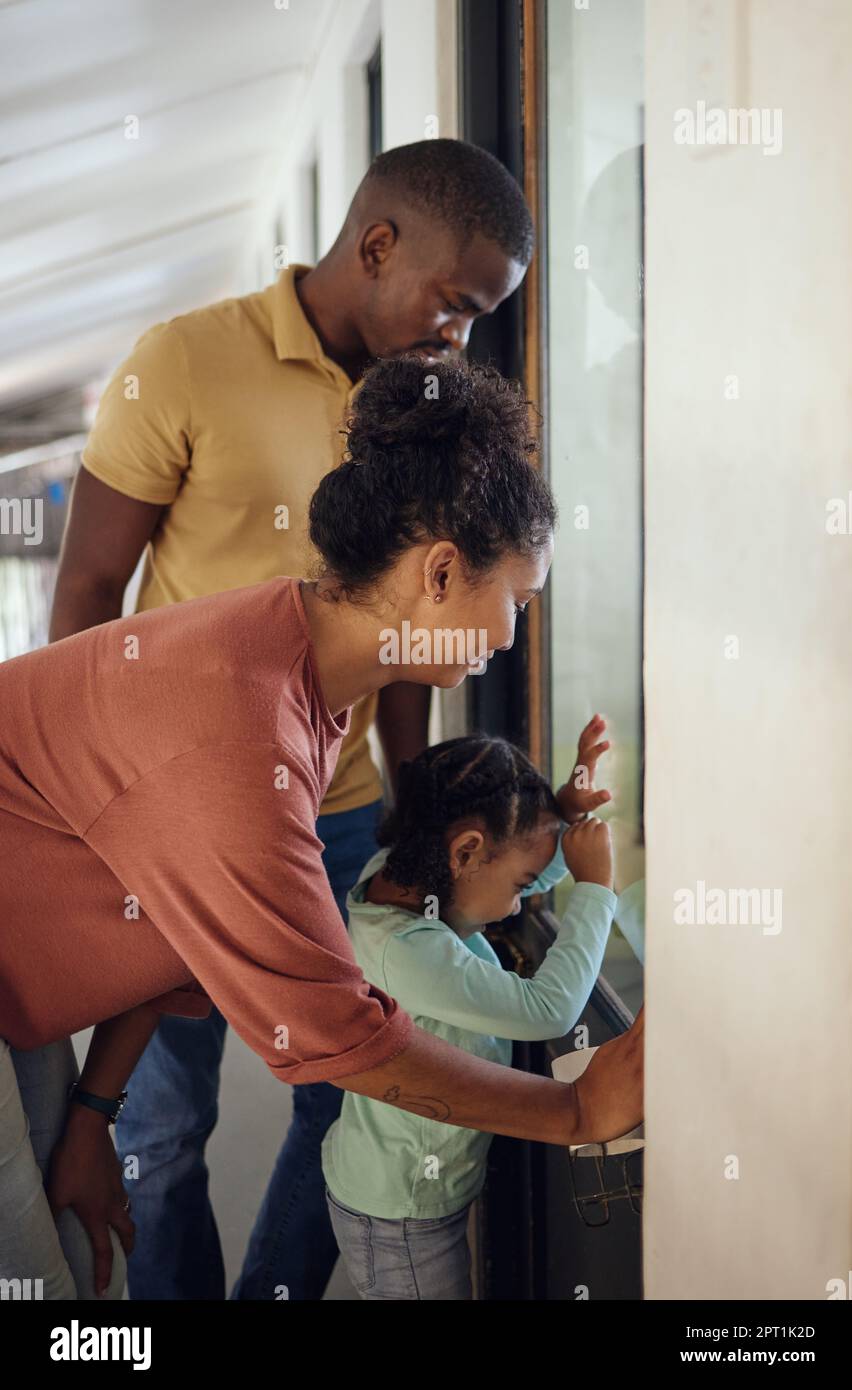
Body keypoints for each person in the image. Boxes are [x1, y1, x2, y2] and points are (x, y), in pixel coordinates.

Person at [0, 355, 644, 1302]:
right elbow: (332, 1034)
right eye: (517, 599)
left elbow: (179, 914)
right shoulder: (239, 729)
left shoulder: (293, 659)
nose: (512, 635)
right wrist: (576, 1110)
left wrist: (96, 1112)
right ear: (439, 571)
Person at [48, 138, 537, 1300]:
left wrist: (417, 810)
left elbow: (414, 618)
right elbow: (85, 593)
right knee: (162, 1125)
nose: (455, 335)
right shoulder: (181, 362)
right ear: (376, 246)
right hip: (172, 814)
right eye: (454, 305)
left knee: (351, 1090)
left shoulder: (420, 405)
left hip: (342, 807)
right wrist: (97, 813)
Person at [324, 721, 645, 1300]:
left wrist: (559, 819)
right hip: (402, 1217)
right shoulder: (408, 953)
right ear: (466, 850)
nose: (522, 900)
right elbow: (549, 1009)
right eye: (524, 883)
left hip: (407, 1196)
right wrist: (597, 889)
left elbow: (487, 879)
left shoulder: (401, 879)